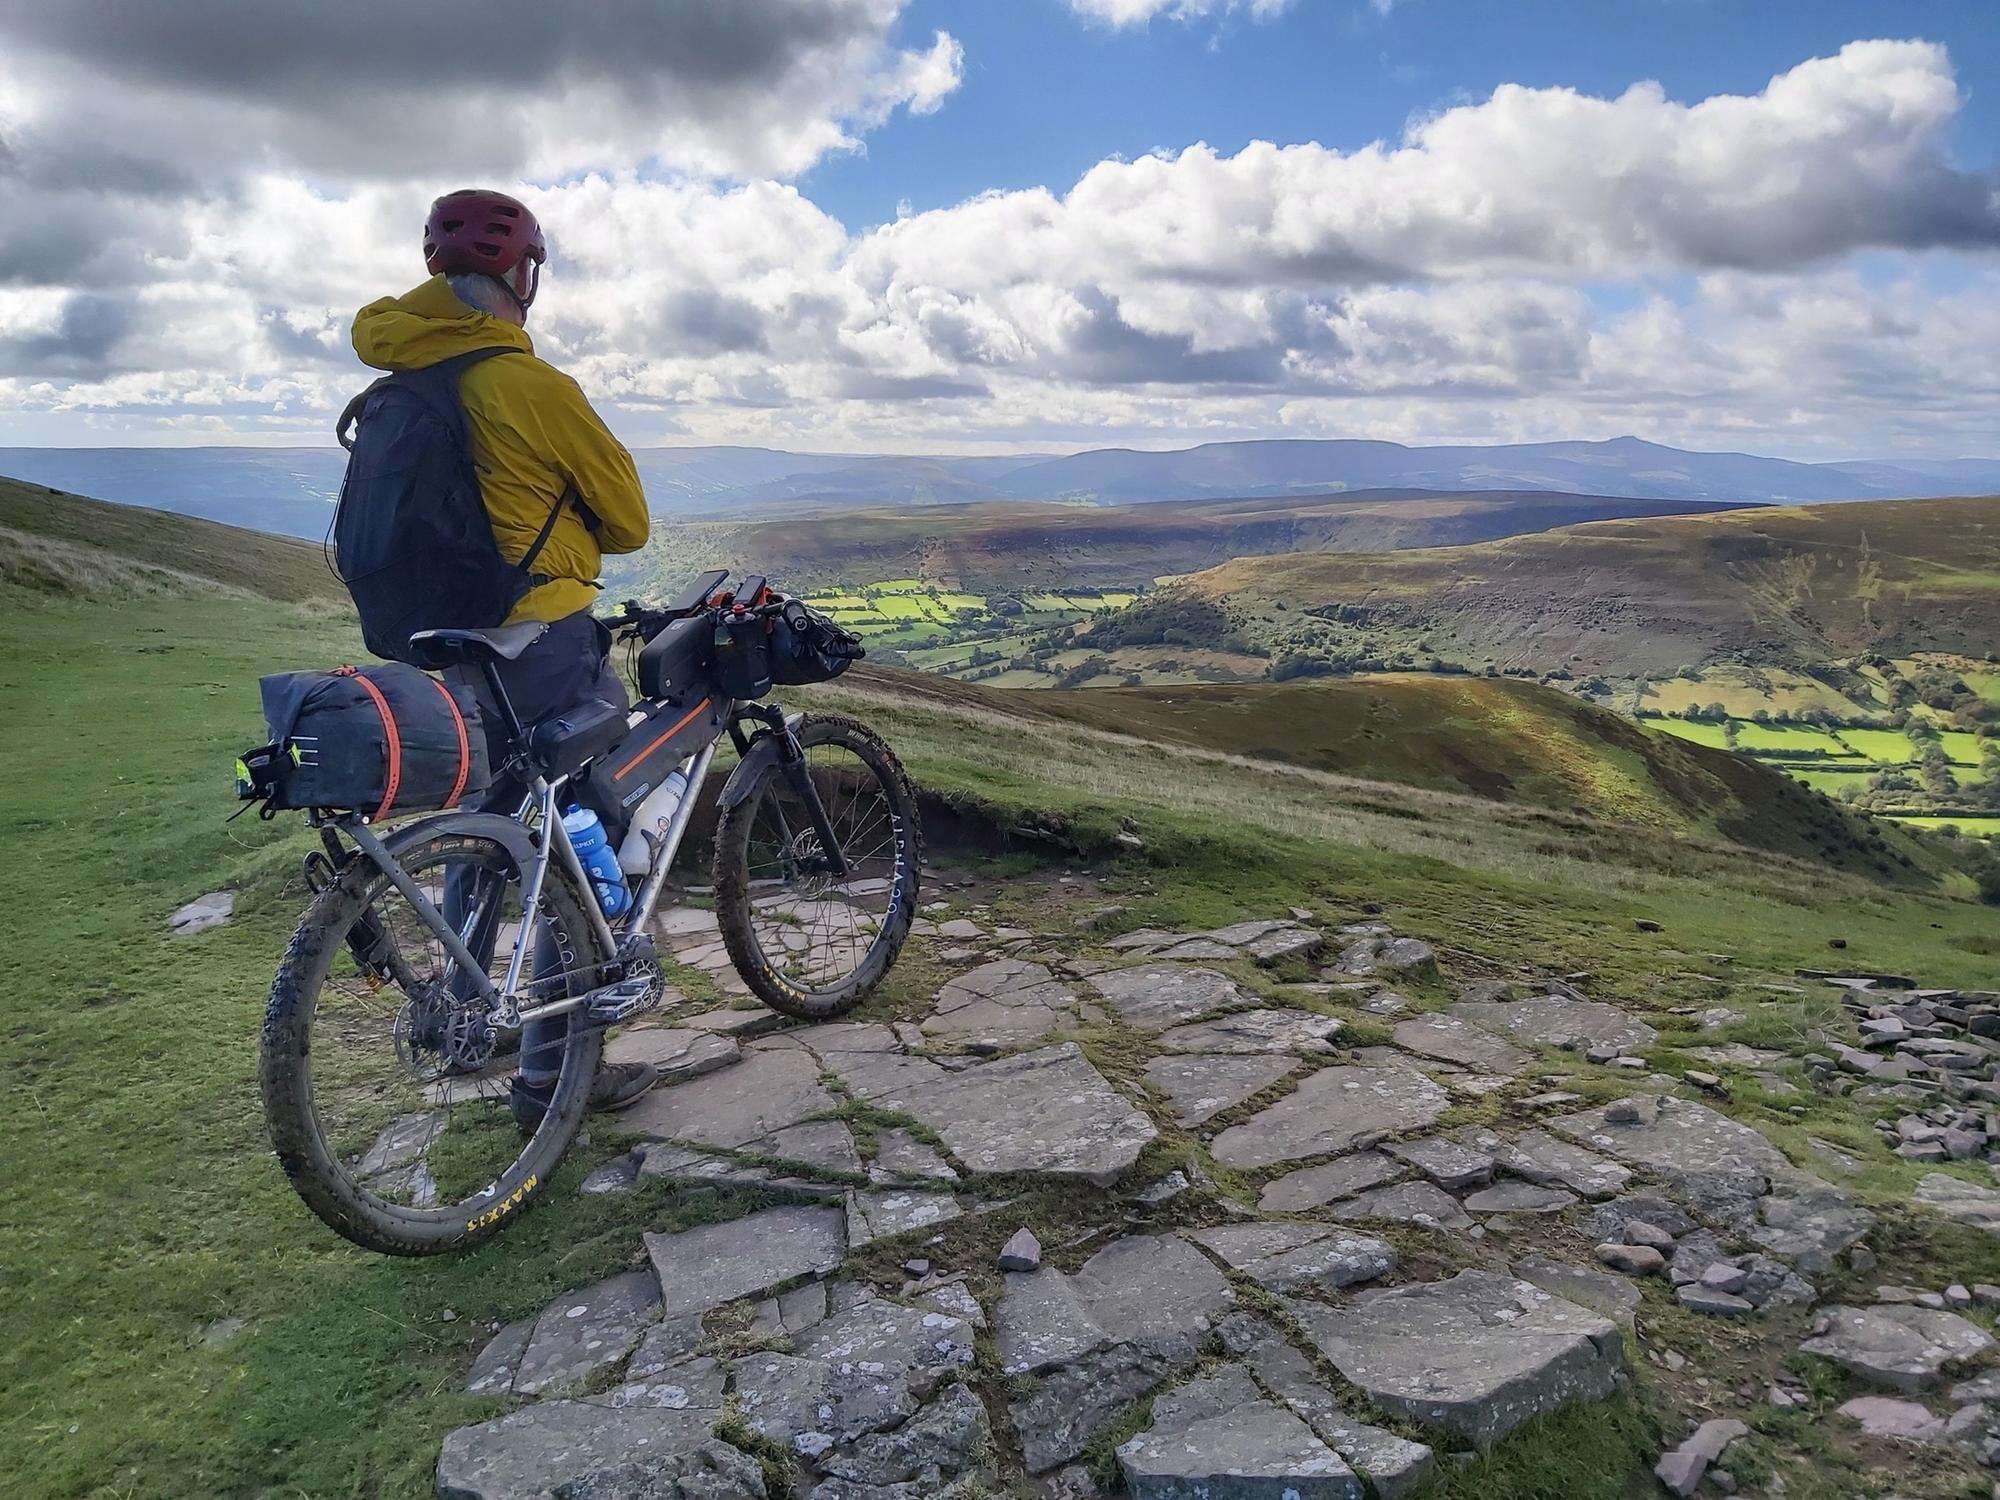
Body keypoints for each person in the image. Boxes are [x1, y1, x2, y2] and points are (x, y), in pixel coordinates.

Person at [350, 188, 659, 1131]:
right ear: (522, 275)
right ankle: (552, 1077)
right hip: (542, 635)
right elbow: (631, 525)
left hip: (443, 643)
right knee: (586, 829)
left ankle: (466, 1008)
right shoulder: (535, 388)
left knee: (491, 823)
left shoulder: (400, 375)